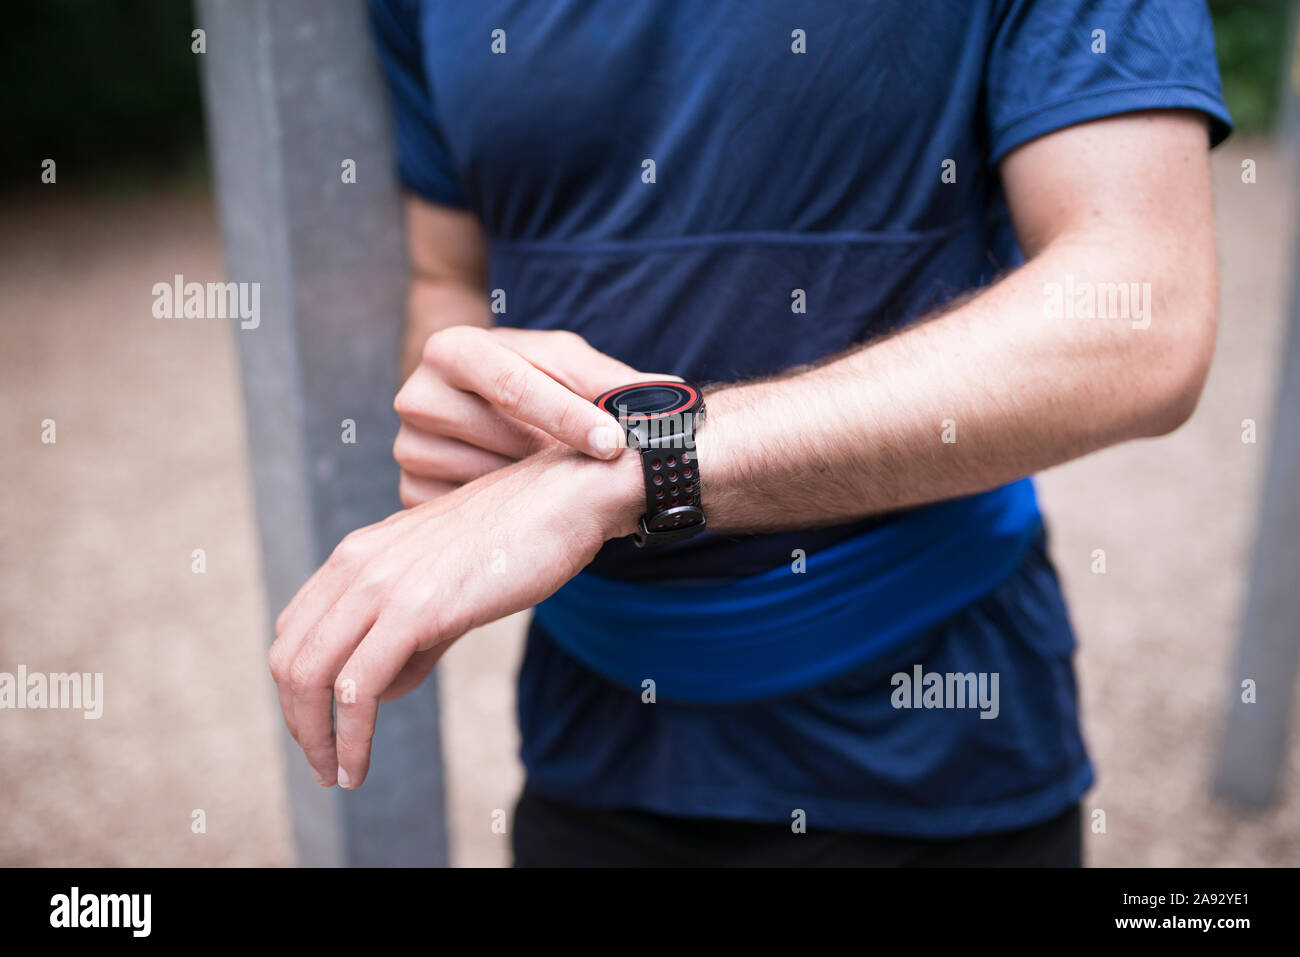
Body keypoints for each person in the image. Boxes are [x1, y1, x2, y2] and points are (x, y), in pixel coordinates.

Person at [268, 0, 1233, 866]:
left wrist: (640, 466)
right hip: (588, 738)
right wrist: (468, 443)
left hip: (926, 743)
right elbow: (449, 269)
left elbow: (1140, 314)